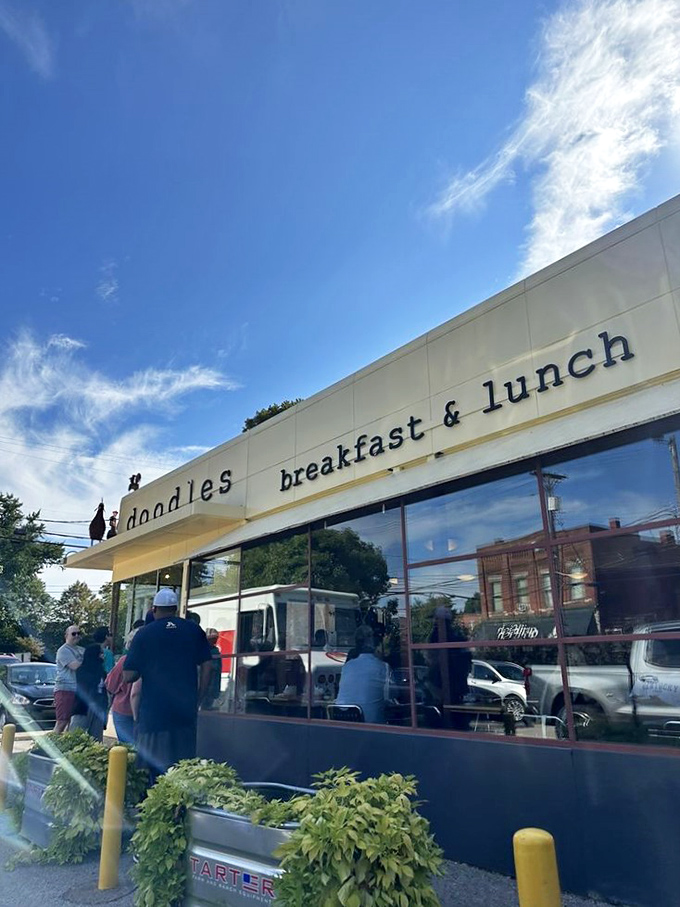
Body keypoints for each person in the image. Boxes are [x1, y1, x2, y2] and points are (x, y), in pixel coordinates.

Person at [123, 589, 213, 782]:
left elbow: (128, 675)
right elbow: (208, 665)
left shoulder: (144, 634)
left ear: (153, 609)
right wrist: (199, 696)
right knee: (183, 769)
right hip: (184, 713)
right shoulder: (193, 630)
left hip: (153, 715)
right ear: (175, 609)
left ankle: (153, 807)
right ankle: (177, 810)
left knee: (152, 772)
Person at [335, 625, 391, 724]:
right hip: (371, 726)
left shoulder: (347, 666)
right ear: (374, 643)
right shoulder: (383, 667)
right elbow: (390, 695)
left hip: (342, 724)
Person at [106, 628, 138, 744]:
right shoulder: (154, 661)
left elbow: (110, 684)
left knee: (126, 749)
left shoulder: (124, 661)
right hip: (144, 711)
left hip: (123, 709)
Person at [71, 644, 108, 740]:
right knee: (77, 736)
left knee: (96, 738)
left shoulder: (102, 671)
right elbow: (86, 686)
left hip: (99, 706)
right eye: (100, 653)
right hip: (83, 707)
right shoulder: (82, 670)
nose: (102, 656)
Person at [54, 625, 84, 733]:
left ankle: (64, 747)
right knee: (62, 721)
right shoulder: (63, 650)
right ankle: (47, 747)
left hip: (78, 690)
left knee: (73, 722)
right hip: (65, 689)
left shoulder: (82, 650)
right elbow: (75, 666)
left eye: (78, 633)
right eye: (73, 634)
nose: (76, 636)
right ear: (66, 635)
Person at [202, 628, 222, 709]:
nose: (214, 640)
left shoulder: (215, 650)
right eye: (212, 639)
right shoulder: (203, 649)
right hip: (206, 679)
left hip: (214, 678)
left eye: (215, 638)